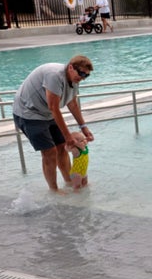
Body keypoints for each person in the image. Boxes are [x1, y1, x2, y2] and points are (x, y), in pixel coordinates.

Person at [12, 56, 95, 193]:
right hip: (29, 113)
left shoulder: (74, 79)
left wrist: (84, 127)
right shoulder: (54, 76)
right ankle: (54, 190)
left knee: (62, 147)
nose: (83, 77)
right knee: (49, 152)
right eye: (81, 73)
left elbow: (72, 104)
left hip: (47, 113)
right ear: (70, 67)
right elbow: (54, 107)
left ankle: (69, 181)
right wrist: (68, 135)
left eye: (86, 75)